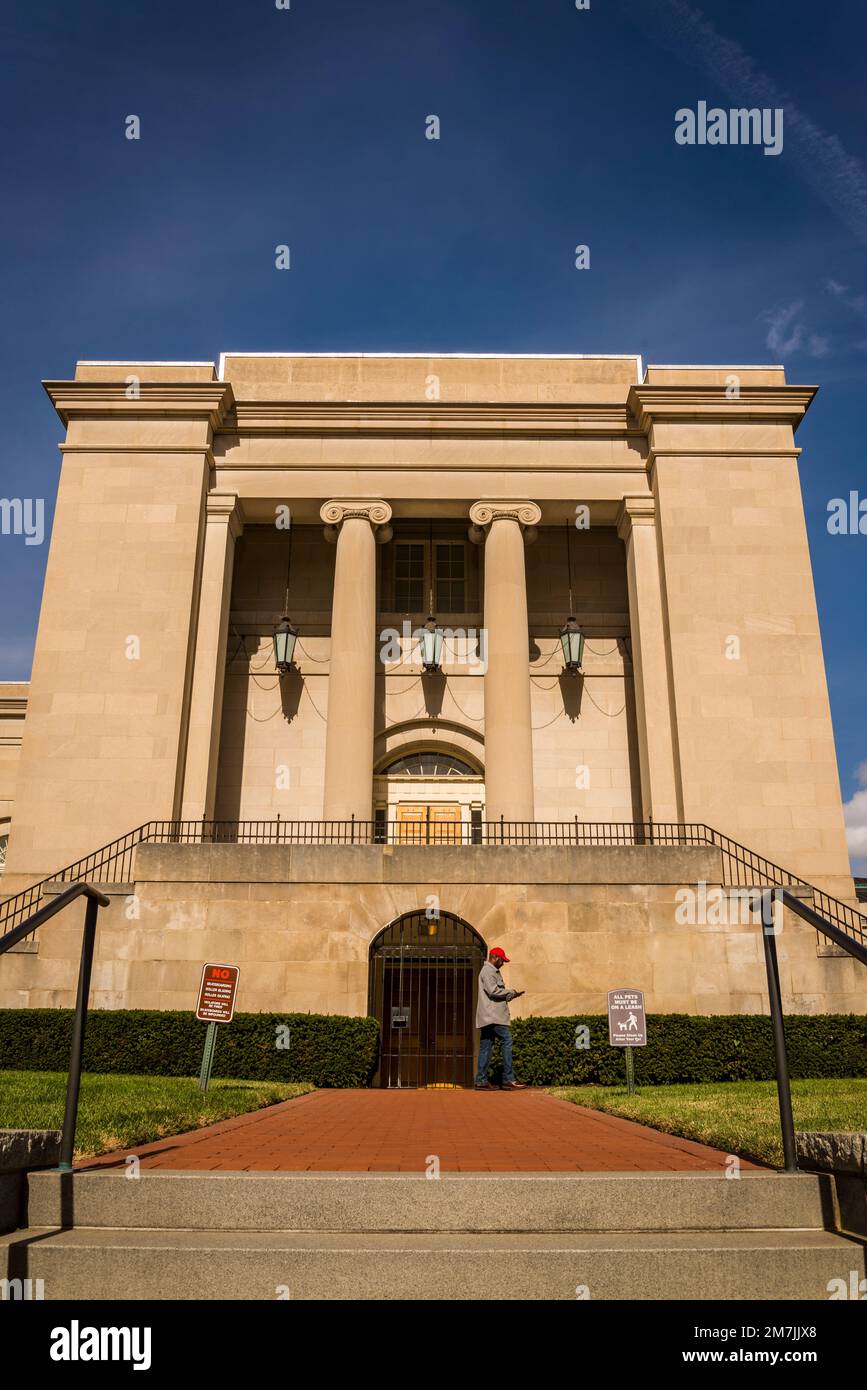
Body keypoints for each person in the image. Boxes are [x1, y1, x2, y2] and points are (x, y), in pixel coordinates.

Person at [474, 946, 527, 1090]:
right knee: (507, 1040)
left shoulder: (490, 971)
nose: (503, 963)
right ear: (495, 958)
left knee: (486, 1046)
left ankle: (481, 1081)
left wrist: (512, 995)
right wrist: (510, 991)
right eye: (502, 960)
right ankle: (508, 1079)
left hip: (489, 1016)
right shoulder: (488, 971)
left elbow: (496, 993)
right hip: (494, 1017)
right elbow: (493, 991)